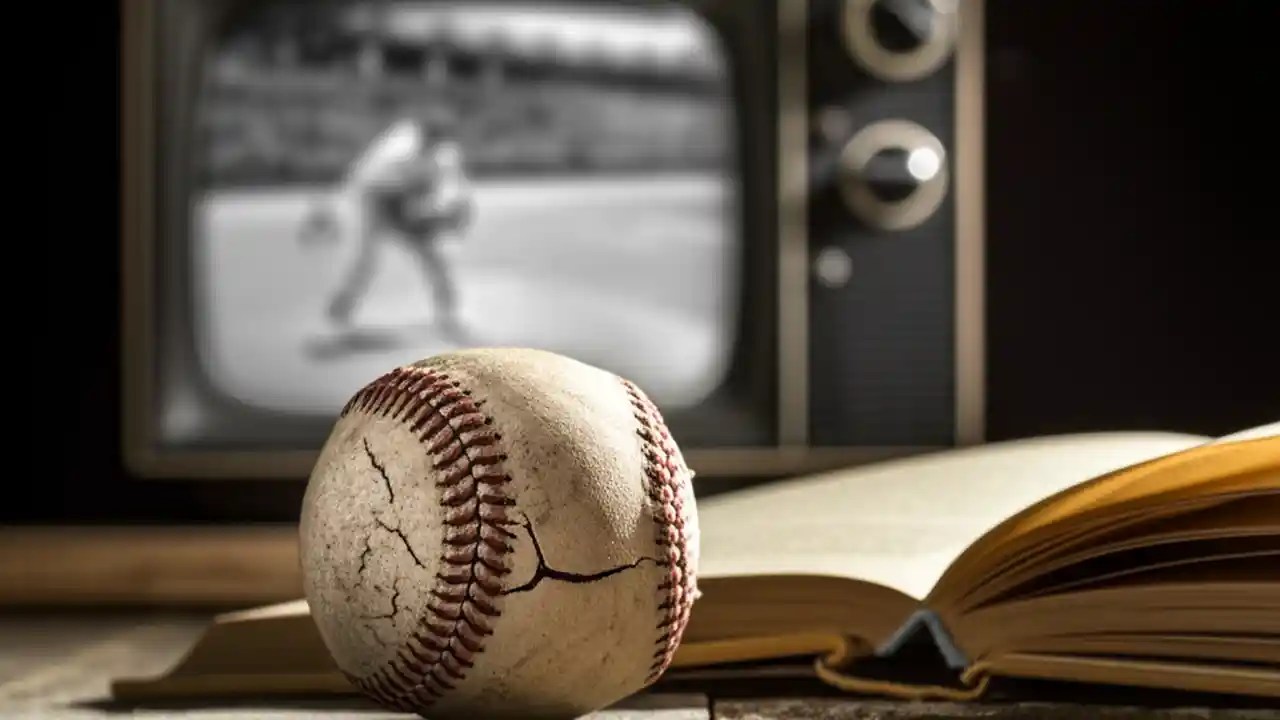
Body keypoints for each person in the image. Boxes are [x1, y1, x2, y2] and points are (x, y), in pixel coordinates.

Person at [307, 112, 474, 339]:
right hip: (373, 203)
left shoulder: (446, 154)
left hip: (408, 204)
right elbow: (362, 183)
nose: (433, 141)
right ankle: (339, 311)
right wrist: (330, 211)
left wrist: (446, 214)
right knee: (362, 261)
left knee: (436, 258)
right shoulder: (397, 148)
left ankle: (447, 315)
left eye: (439, 136)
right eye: (430, 135)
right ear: (420, 132)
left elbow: (456, 194)